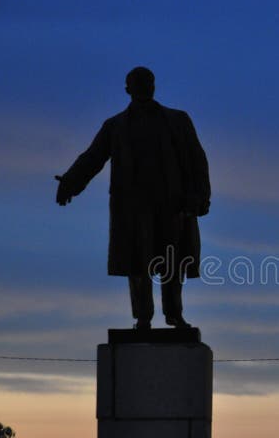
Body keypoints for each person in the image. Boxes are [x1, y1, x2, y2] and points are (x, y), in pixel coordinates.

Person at [55, 66, 210, 329]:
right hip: (134, 207)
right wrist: (70, 182)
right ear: (128, 89)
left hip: (172, 205)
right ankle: (143, 317)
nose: (143, 86)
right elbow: (93, 157)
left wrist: (200, 197)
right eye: (137, 83)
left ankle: (174, 314)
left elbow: (197, 159)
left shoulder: (178, 120)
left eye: (147, 81)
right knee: (138, 264)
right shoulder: (115, 126)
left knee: (171, 261)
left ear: (154, 85)